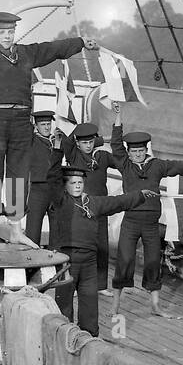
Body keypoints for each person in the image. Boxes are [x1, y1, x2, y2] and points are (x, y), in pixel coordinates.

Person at [0, 0, 98, 232]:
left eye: (11, 32)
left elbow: (53, 49)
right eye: (1, 32)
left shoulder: (25, 53)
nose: (8, 36)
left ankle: (14, 231)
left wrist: (81, 42)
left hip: (23, 123)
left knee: (18, 176)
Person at [110, 112, 183, 322]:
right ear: (129, 153)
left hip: (151, 224)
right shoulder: (125, 165)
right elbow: (116, 146)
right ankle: (115, 305)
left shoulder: (157, 165)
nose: (137, 155)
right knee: (125, 259)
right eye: (133, 152)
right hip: (131, 222)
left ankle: (155, 304)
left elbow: (182, 167)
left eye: (140, 151)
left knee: (154, 261)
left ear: (146, 150)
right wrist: (118, 120)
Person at [52, 166, 154, 336]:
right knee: (64, 303)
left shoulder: (93, 203)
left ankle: (90, 335)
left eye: (80, 182)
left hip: (89, 261)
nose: (77, 186)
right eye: (73, 183)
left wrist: (140, 195)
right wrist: (56, 151)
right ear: (65, 186)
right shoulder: (61, 202)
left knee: (90, 301)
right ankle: (63, 334)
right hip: (67, 261)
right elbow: (52, 179)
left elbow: (117, 202)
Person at [60, 117, 118, 291]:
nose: (88, 146)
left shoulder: (102, 156)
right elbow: (67, 140)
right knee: (78, 246)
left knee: (101, 246)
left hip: (99, 207)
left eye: (91, 142)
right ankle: (73, 284)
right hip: (79, 207)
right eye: (84, 142)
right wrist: (75, 124)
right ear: (77, 143)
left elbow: (122, 163)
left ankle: (101, 285)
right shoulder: (73, 154)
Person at [23, 111, 64, 246]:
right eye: (43, 124)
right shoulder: (32, 140)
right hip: (38, 189)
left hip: (55, 189)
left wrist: (58, 145)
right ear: (36, 126)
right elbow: (25, 126)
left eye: (48, 124)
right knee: (33, 231)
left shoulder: (56, 141)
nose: (47, 127)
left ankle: (56, 263)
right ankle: (31, 264)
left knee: (57, 232)